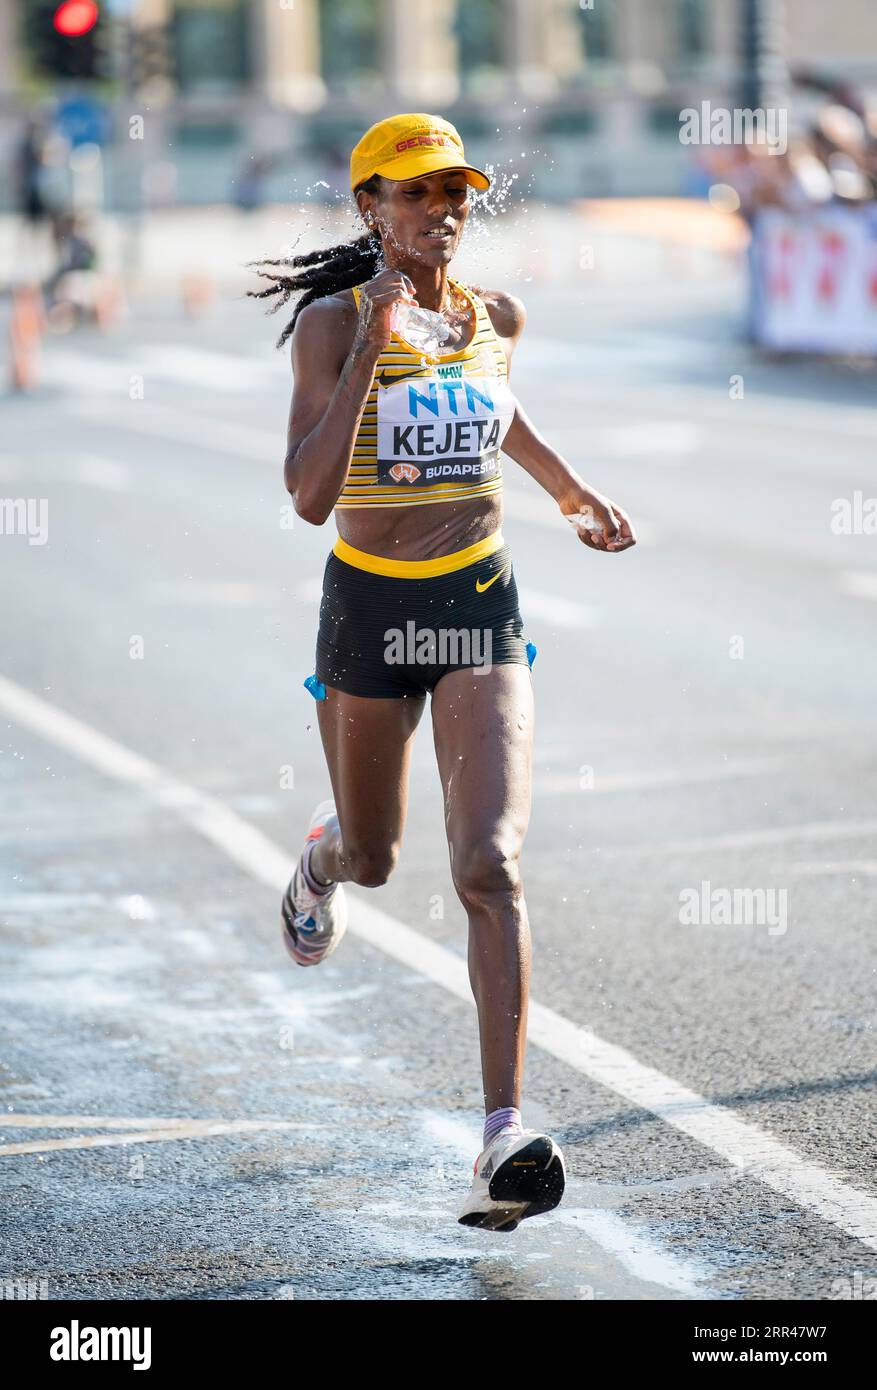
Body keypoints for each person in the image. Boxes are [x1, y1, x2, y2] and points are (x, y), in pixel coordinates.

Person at [248, 113, 636, 1233]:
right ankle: (321, 857)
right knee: (377, 856)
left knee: (490, 862)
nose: (442, 212)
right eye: (416, 194)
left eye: (456, 193)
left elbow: (497, 408)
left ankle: (501, 1135)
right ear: (370, 205)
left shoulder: (494, 314)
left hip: (477, 602)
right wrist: (373, 341)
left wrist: (567, 491)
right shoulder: (330, 324)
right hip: (368, 609)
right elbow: (309, 495)